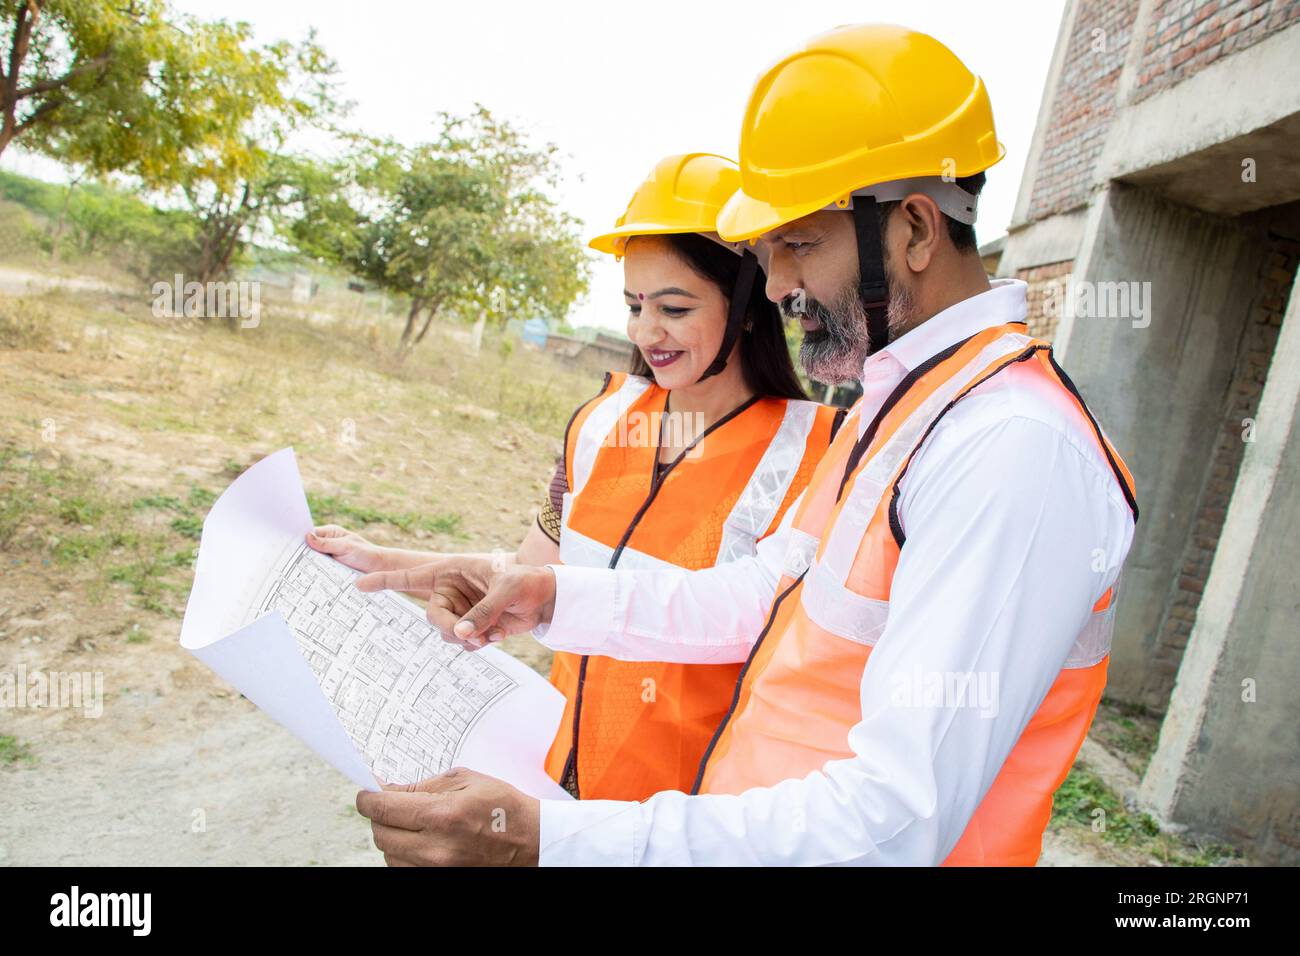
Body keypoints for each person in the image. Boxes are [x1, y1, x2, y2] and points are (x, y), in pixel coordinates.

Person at [353, 23, 1138, 866]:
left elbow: (897, 820)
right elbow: (756, 598)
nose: (777, 287)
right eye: (766, 254)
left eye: (798, 244)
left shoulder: (1010, 450)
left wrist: (548, 841)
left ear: (912, 228)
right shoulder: (905, 411)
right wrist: (545, 597)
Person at [311, 152, 842, 802]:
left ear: (748, 306)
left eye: (673, 308)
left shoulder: (815, 451)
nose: (647, 332)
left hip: (686, 812)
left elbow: (772, 630)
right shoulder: (599, 422)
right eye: (634, 305)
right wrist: (379, 559)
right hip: (560, 783)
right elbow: (527, 569)